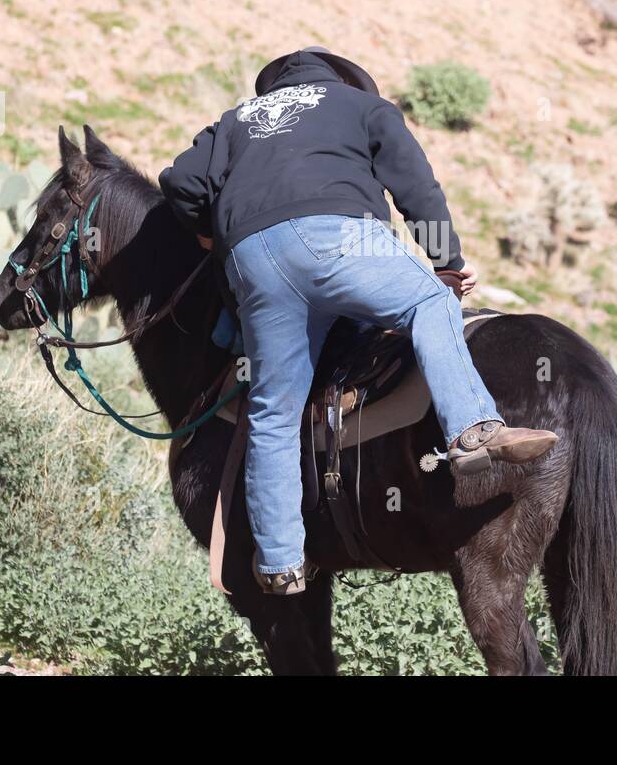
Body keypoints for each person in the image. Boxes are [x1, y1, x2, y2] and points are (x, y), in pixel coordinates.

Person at [160, 47, 558, 594]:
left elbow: (179, 180)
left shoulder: (236, 120)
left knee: (275, 410)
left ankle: (280, 563)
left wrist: (213, 235)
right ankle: (472, 432)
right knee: (430, 303)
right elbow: (417, 188)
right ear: (342, 79)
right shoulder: (360, 106)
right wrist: (447, 264)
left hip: (255, 258)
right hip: (340, 238)